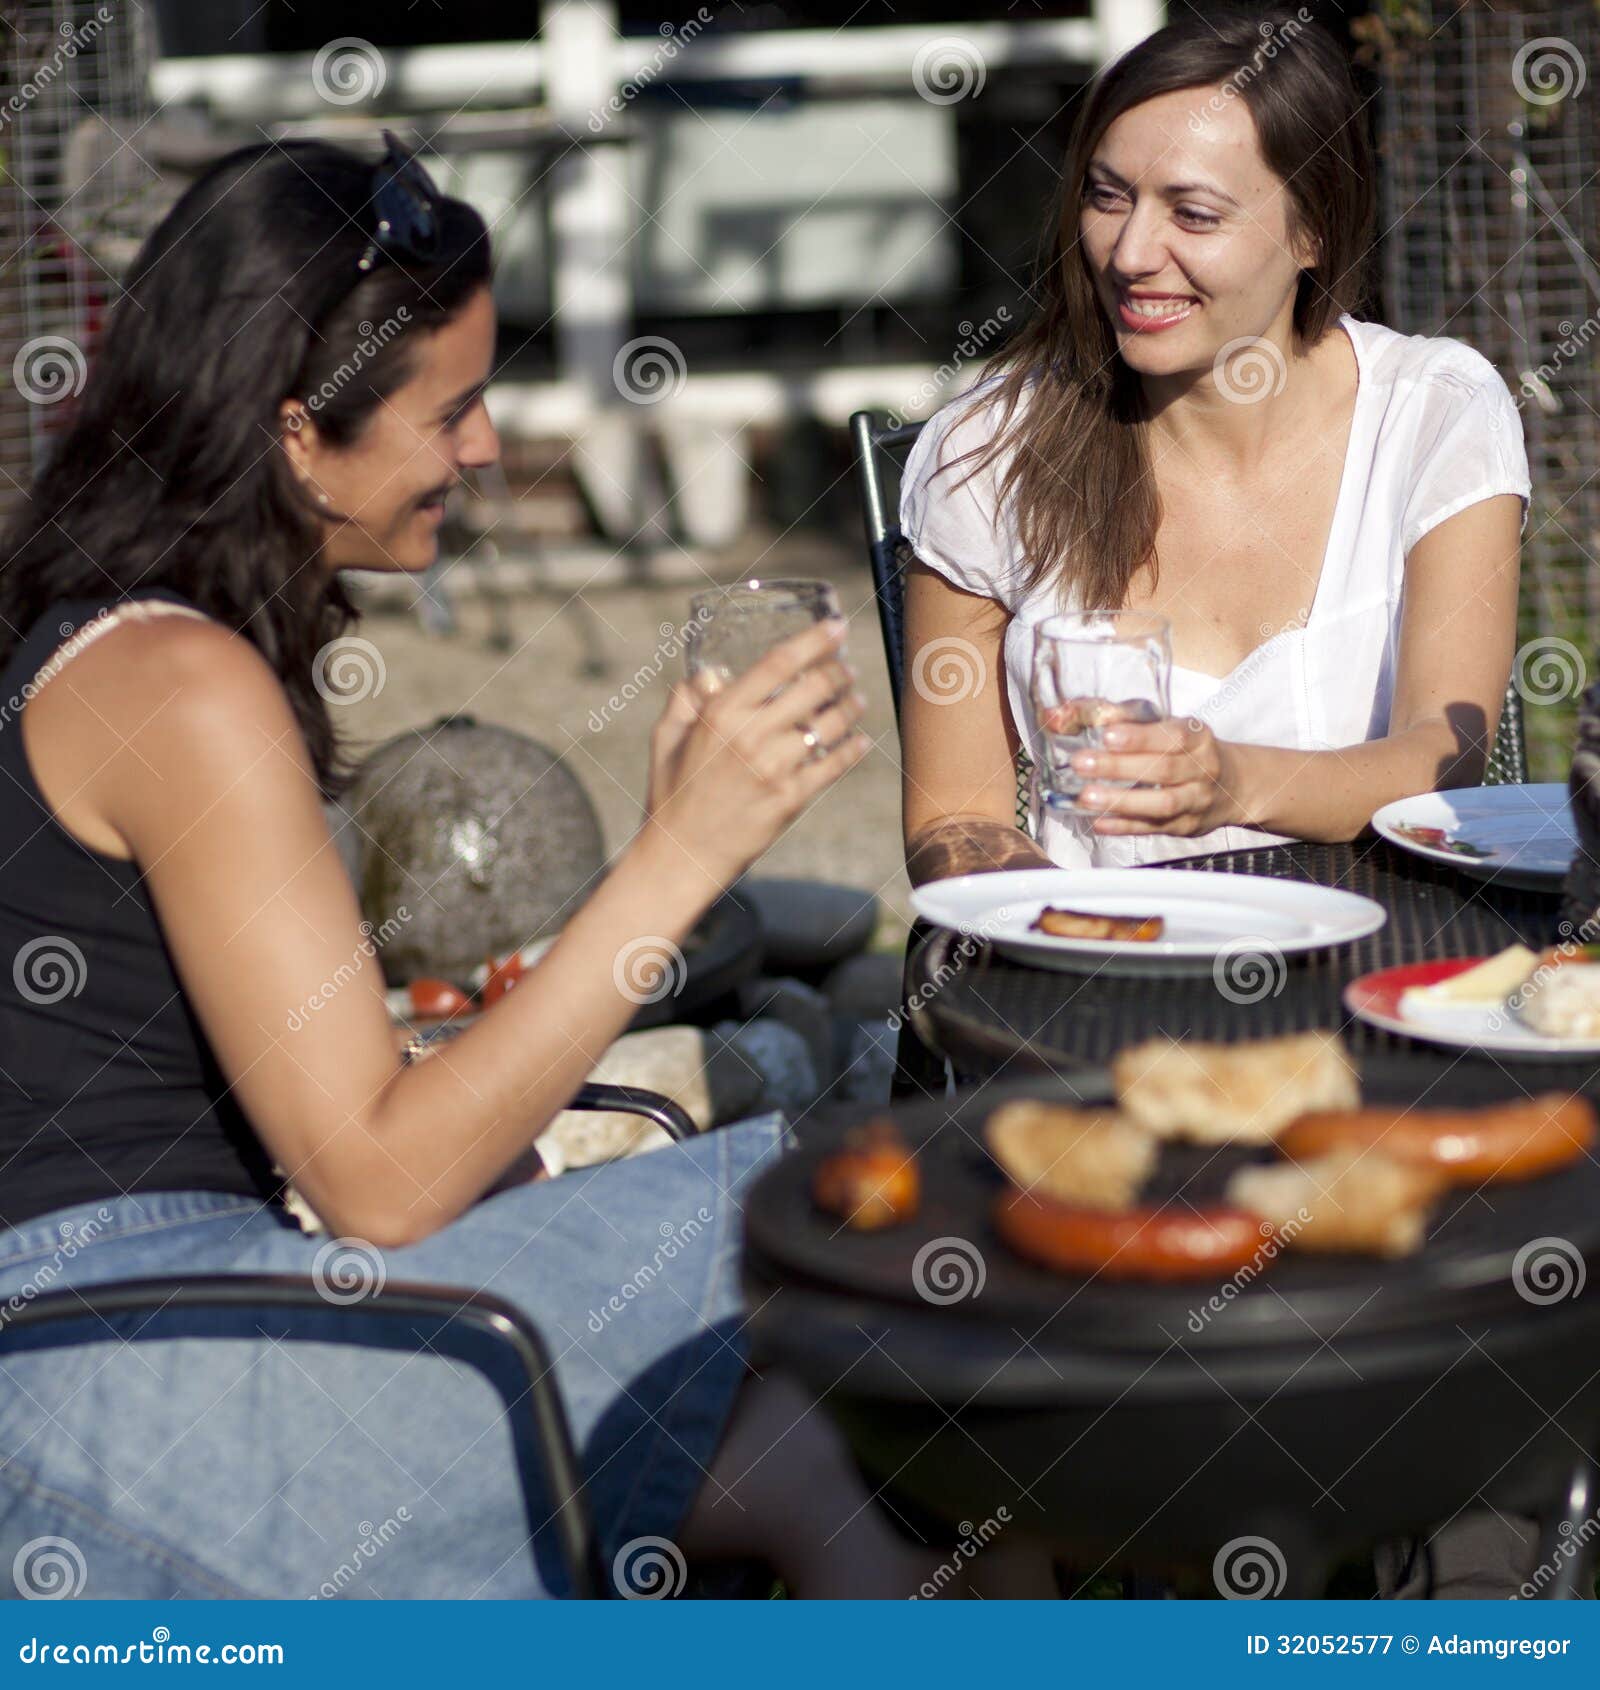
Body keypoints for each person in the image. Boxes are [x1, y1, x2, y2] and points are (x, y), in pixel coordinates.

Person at [0, 134, 983, 1601]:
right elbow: (385, 1180)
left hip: (146, 1337)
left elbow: (313, 1099)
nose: (481, 448)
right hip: (127, 1392)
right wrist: (681, 853)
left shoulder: (119, 637)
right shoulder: (183, 685)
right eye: (453, 407)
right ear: (292, 431)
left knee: (817, 1410)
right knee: (848, 1214)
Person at [899, 8, 1528, 889]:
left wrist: (1232, 781)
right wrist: (1058, 937)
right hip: (1101, 979)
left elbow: (1444, 758)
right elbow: (952, 818)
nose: (1129, 252)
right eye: (1107, 195)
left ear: (1314, 232)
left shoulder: (1435, 414)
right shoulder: (987, 449)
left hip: (1378, 960)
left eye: (1193, 214)